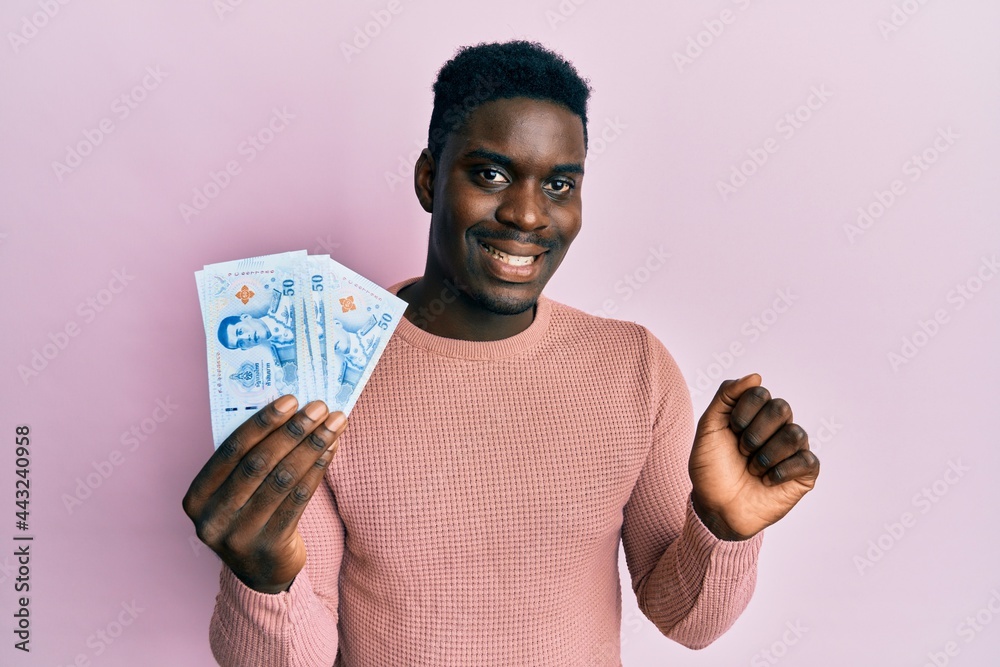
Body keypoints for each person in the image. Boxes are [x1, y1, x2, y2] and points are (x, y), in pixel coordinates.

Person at [183, 40, 821, 666]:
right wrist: (261, 578)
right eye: (491, 174)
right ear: (430, 178)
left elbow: (686, 621)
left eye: (559, 185)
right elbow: (295, 661)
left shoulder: (634, 368)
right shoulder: (321, 370)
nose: (526, 215)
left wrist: (723, 529)